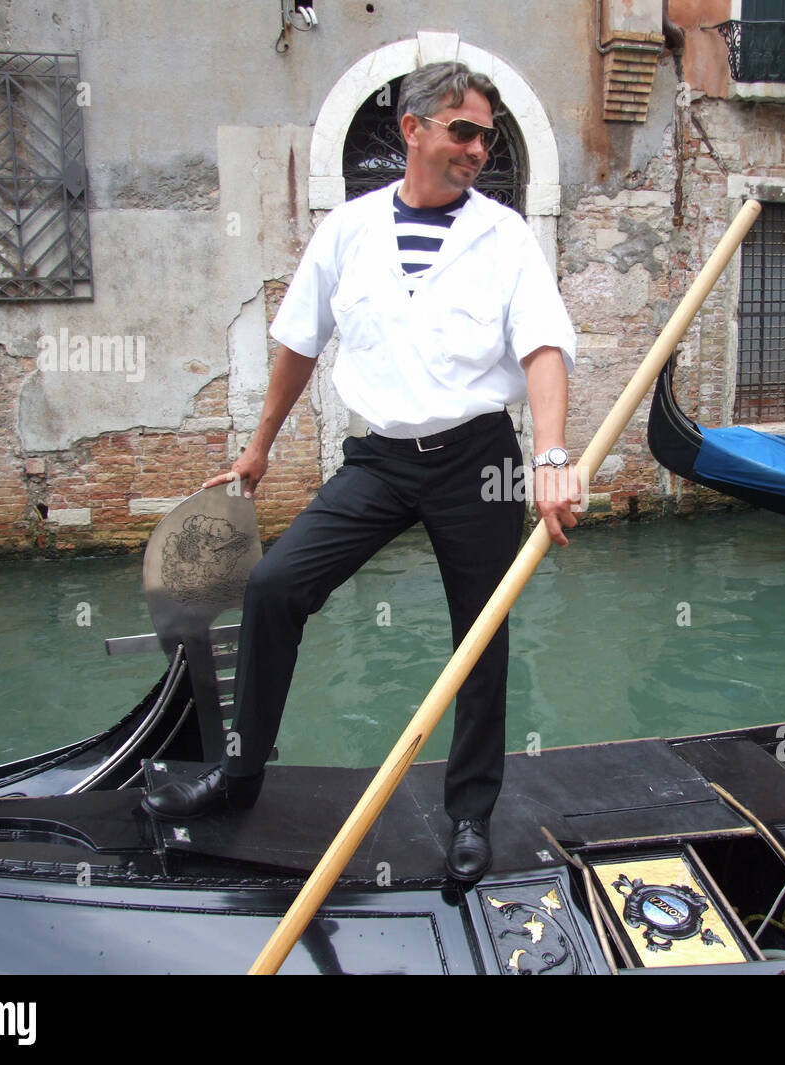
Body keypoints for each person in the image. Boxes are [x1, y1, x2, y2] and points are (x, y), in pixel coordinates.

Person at [142, 62, 579, 884]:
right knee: (275, 586)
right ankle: (237, 777)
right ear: (412, 129)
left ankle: (470, 813)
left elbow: (543, 349)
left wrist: (552, 456)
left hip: (478, 458)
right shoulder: (348, 229)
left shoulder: (507, 236)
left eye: (487, 134)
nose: (478, 147)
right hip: (378, 458)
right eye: (462, 129)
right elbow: (298, 344)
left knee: (480, 637)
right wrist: (259, 445)